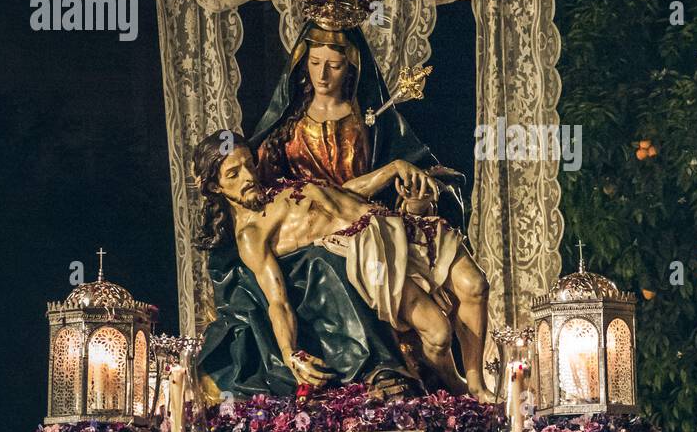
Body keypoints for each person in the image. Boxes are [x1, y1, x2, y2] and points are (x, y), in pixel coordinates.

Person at [194, 130, 494, 401]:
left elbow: (345, 192)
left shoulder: (281, 189)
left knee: (476, 286)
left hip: (402, 227)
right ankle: (456, 386)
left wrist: (394, 169)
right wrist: (290, 353)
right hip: (371, 250)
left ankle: (478, 386)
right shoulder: (251, 235)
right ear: (214, 186)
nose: (248, 176)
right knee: (439, 334)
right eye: (234, 173)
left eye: (249, 164)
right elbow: (278, 301)